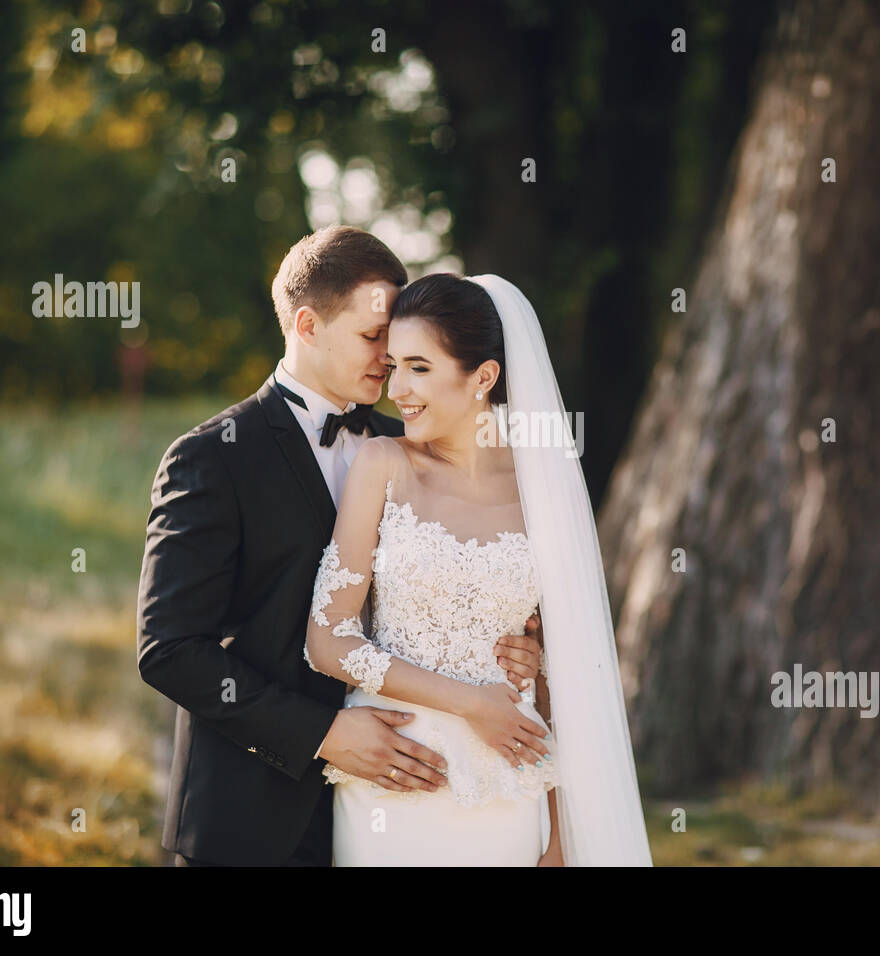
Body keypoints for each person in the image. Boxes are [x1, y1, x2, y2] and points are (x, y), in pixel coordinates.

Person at [136, 228, 542, 866]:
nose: (389, 357)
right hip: (254, 812)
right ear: (308, 325)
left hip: (405, 793)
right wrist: (322, 733)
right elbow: (171, 650)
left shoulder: (410, 442)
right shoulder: (211, 457)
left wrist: (521, 645)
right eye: (373, 335)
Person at [305, 273, 652, 865]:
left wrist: (560, 837)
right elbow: (328, 640)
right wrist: (471, 703)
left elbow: (563, 675)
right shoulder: (382, 463)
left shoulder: (541, 486)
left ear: (483, 377)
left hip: (509, 780)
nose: (397, 390)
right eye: (393, 366)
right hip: (394, 771)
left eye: (419, 367)